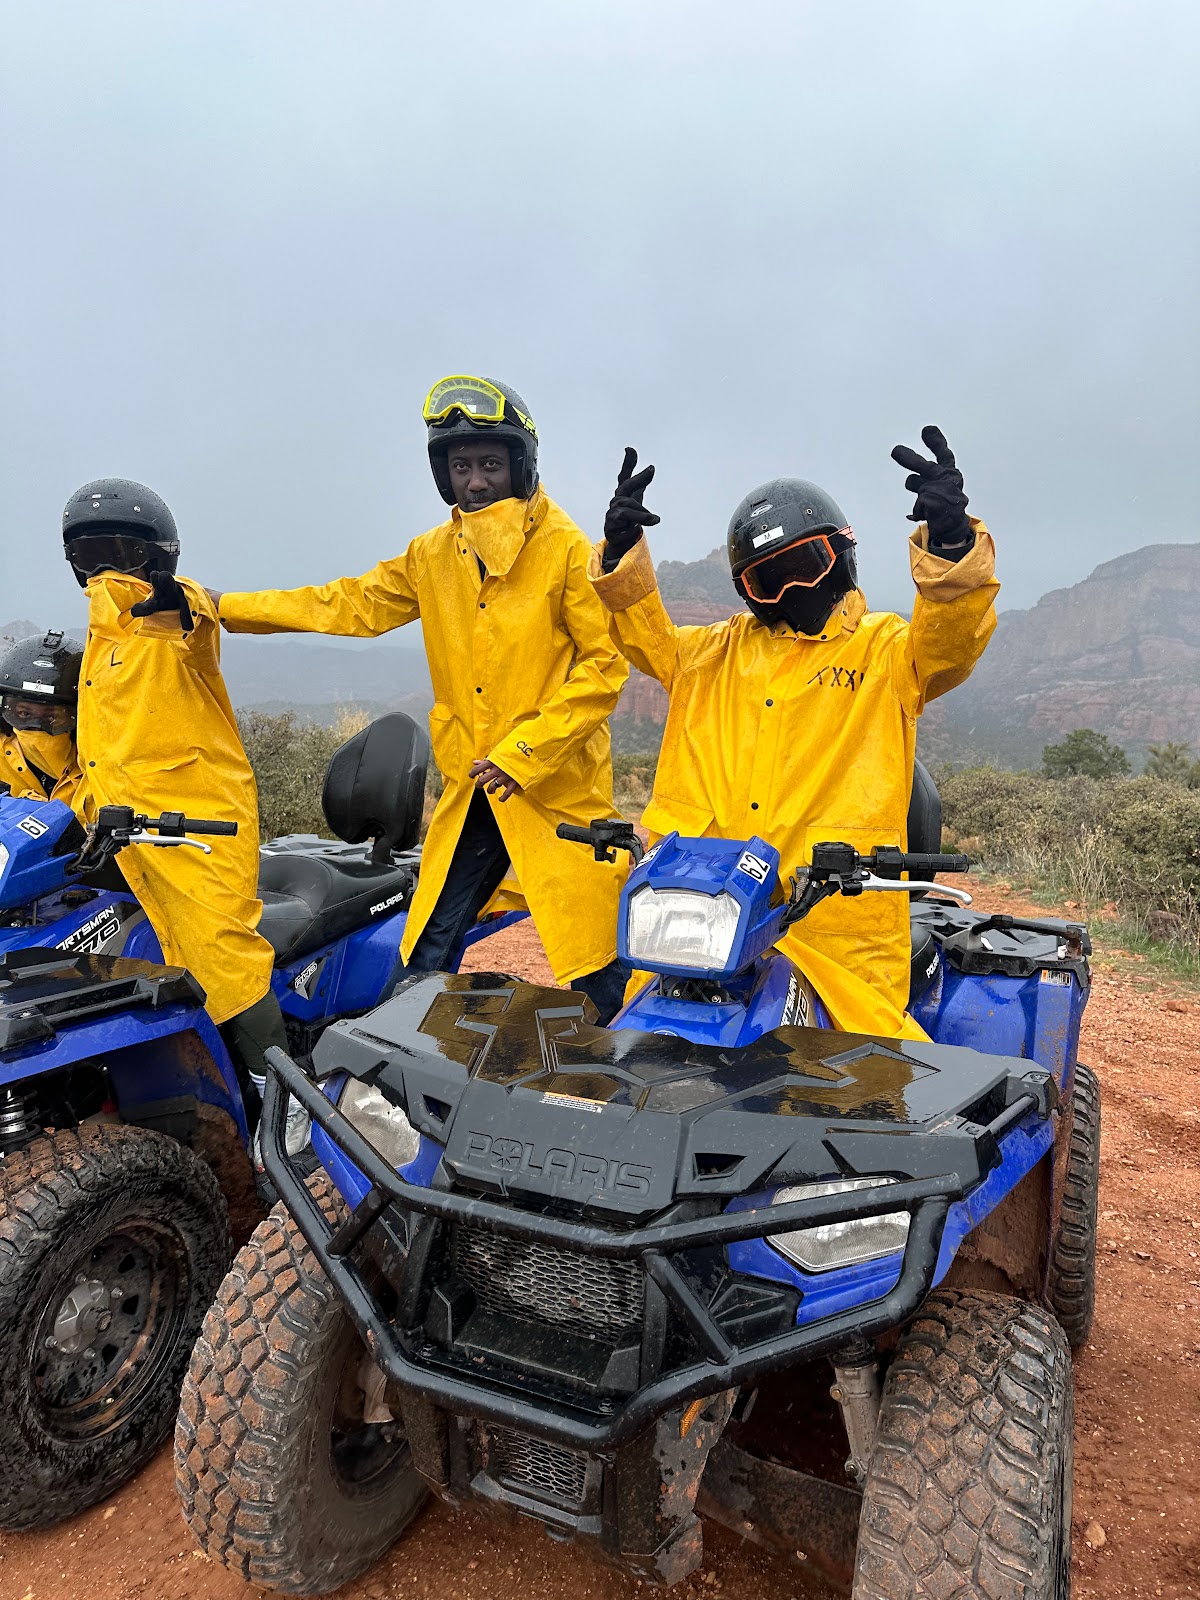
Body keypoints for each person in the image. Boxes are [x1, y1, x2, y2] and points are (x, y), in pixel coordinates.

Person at [212, 375, 631, 1020]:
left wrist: (525, 752)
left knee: (595, 959)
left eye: (490, 464)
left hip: (555, 791)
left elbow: (604, 667)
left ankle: (614, 1085)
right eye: (460, 467)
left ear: (521, 463)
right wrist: (221, 608)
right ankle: (387, 1086)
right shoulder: (434, 555)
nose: (476, 482)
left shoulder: (568, 551)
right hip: (478, 793)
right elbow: (344, 603)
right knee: (427, 946)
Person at [590, 427, 999, 1040]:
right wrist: (621, 553)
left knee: (864, 1090)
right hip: (704, 913)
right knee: (638, 1050)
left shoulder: (888, 653)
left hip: (835, 927)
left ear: (842, 556)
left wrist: (951, 543)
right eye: (766, 582)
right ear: (745, 593)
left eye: (804, 568)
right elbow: (640, 632)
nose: (791, 593)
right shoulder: (706, 655)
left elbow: (952, 640)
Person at [62, 478, 286, 1103]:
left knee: (225, 954)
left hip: (198, 828)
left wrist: (179, 600)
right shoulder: (101, 647)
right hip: (125, 834)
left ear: (159, 559)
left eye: (124, 555)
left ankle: (285, 1098)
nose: (107, 571)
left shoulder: (168, 623)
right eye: (90, 556)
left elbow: (190, 617)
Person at [0, 630, 84, 804]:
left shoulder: (96, 769)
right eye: (24, 714)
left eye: (52, 717)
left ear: (79, 716)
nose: (36, 726)